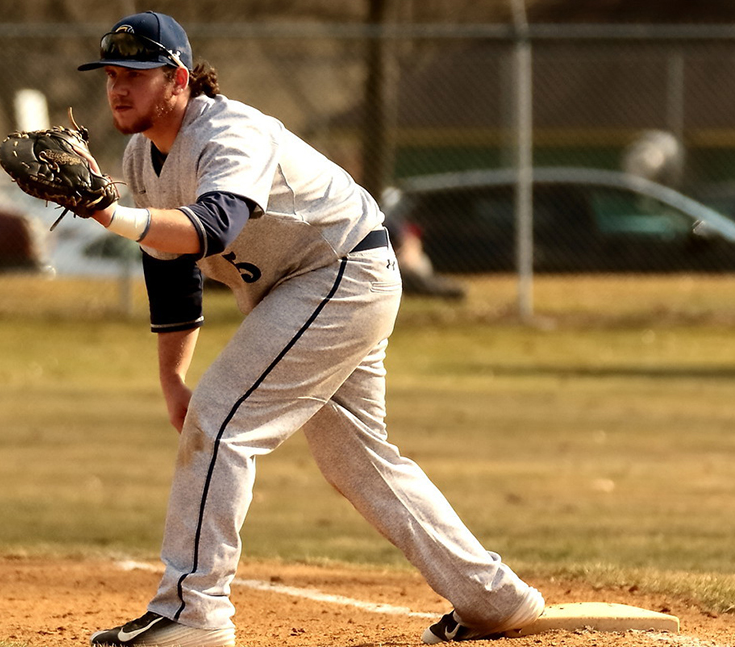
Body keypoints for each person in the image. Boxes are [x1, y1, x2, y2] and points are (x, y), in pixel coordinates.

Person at [72, 11, 545, 646]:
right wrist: (171, 379)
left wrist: (111, 215)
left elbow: (214, 227)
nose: (118, 88)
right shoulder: (140, 155)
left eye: (135, 73)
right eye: (110, 75)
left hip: (338, 273)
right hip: (300, 288)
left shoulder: (230, 131)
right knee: (355, 459)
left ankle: (194, 614)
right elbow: (172, 268)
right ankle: (492, 599)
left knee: (223, 421)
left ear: (178, 79)